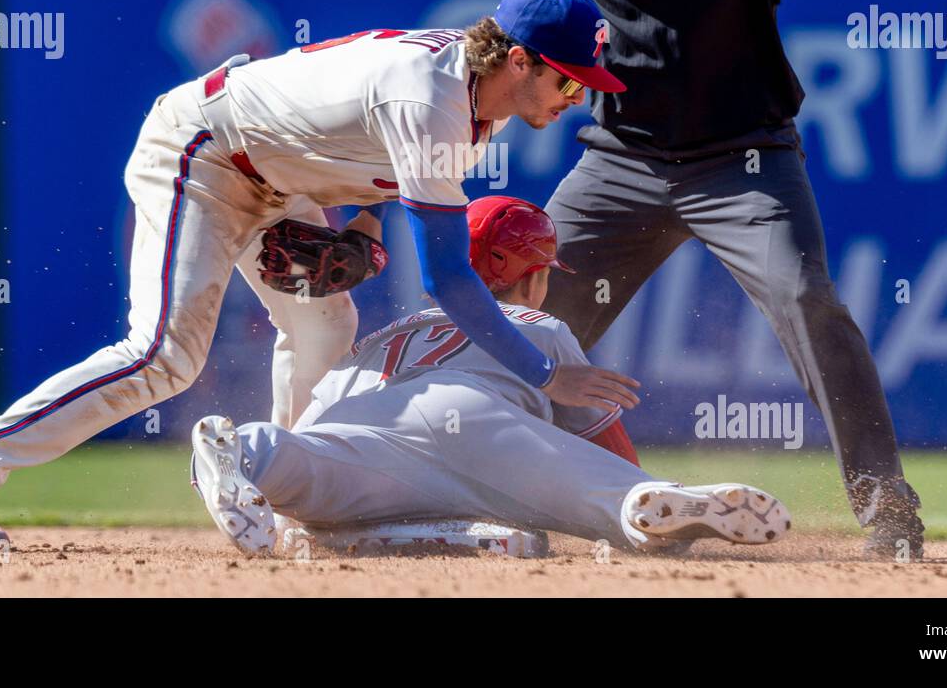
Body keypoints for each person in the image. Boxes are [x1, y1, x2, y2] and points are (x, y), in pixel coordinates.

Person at [280, 0, 947, 558]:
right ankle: (451, 490)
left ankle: (887, 509)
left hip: (744, 163)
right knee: (519, 329)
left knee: (808, 298)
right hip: (619, 163)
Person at [0, 0, 640, 551]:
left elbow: (372, 167)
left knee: (325, 326)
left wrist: (364, 234)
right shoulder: (437, 97)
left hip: (270, 178)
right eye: (570, 80)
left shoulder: (471, 98)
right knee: (163, 356)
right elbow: (448, 277)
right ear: (519, 60)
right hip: (203, 152)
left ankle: (291, 495)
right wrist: (545, 375)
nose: (577, 97)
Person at [190, 196, 792, 553]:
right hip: (474, 420)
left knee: (300, 462)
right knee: (605, 489)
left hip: (361, 420)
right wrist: (628, 477)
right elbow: (601, 440)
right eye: (543, 268)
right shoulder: (535, 324)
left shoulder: (383, 336)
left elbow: (317, 415)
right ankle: (642, 507)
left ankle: (243, 452)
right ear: (525, 273)